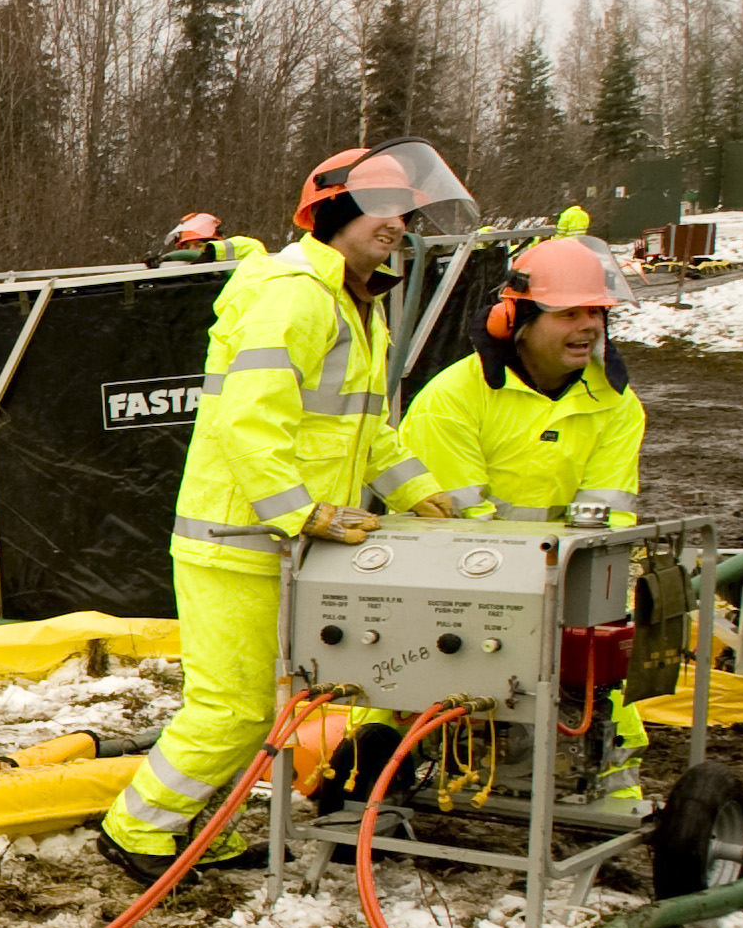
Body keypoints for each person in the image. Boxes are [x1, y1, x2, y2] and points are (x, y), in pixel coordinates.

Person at [99, 140, 478, 885]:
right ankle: (138, 826)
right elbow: (250, 420)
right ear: (332, 211)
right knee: (233, 707)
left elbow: (366, 429)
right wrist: (299, 513)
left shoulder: (355, 303)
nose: (397, 224)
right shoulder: (297, 294)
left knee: (261, 705)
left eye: (405, 213)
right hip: (238, 538)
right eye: (380, 208)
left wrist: (415, 492)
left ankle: (202, 825)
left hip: (282, 541)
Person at [396, 232, 651, 800]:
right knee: (396, 685)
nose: (588, 326)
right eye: (569, 313)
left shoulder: (615, 404)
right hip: (452, 581)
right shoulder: (453, 398)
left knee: (601, 682)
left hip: (567, 578)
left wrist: (590, 602)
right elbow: (459, 524)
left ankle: (613, 798)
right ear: (517, 321)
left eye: (597, 312)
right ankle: (371, 782)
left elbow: (608, 520)